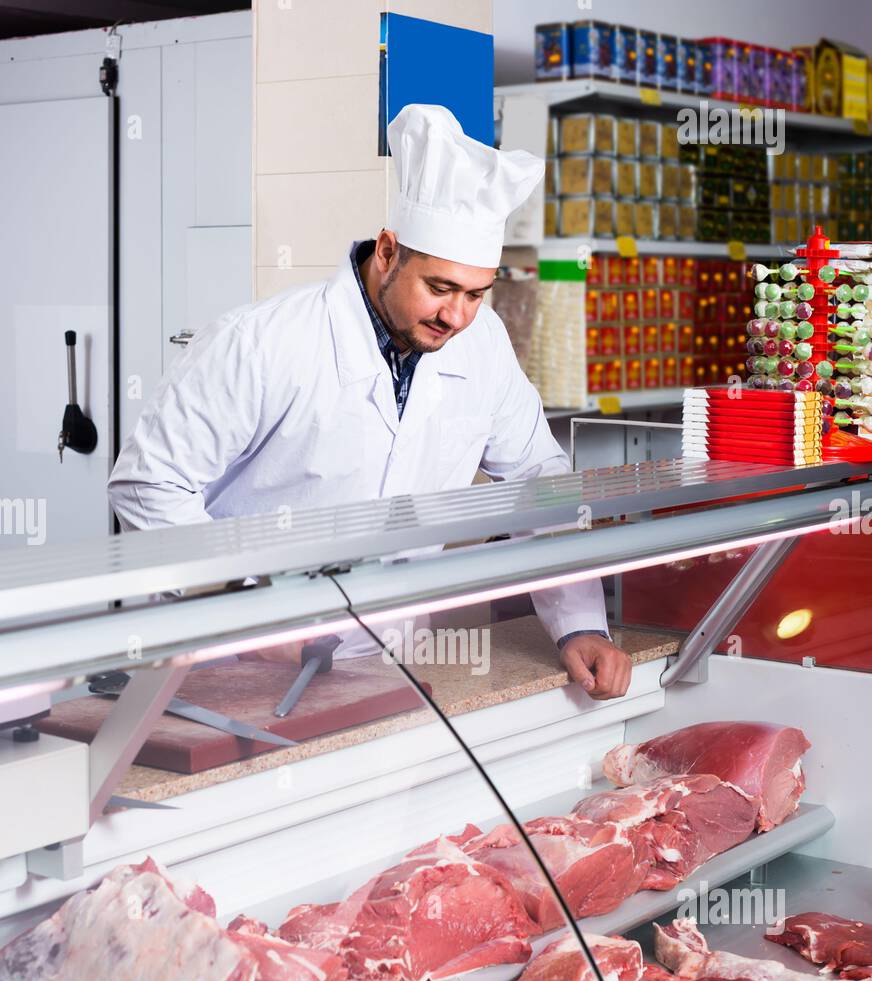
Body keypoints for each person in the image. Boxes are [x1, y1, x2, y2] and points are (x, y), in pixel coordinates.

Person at [109, 104, 631, 699]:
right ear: (387, 250)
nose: (456, 316)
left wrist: (578, 624)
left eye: (477, 294)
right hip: (235, 658)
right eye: (440, 288)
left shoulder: (481, 342)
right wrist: (246, 602)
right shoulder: (261, 341)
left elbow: (539, 480)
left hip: (388, 660)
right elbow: (147, 485)